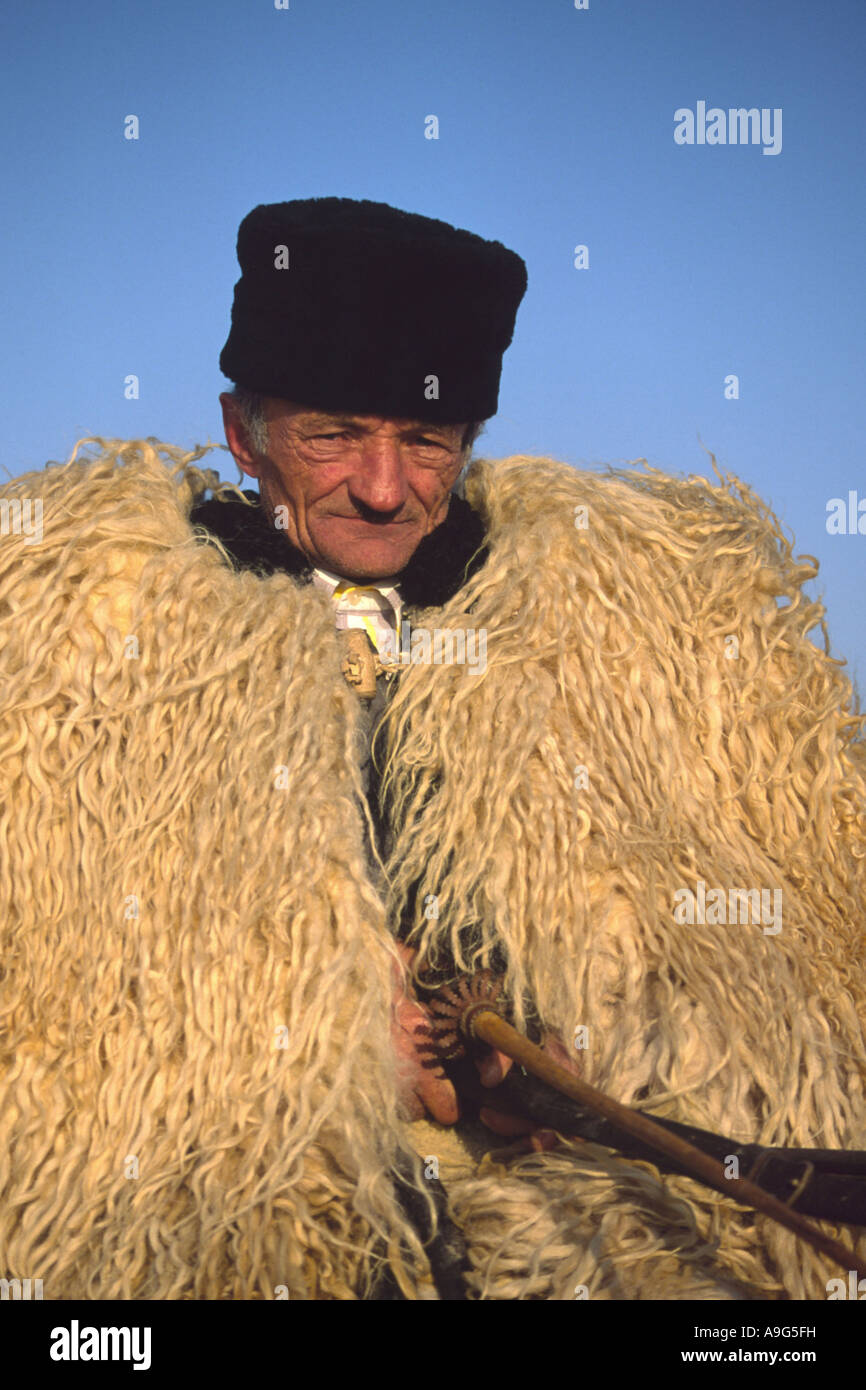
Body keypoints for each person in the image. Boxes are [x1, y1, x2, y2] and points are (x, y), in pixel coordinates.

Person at [1, 198, 863, 1301]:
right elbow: (64, 1013)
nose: (380, 485)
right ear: (242, 432)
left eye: (423, 441)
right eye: (331, 435)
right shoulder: (79, 653)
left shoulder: (626, 641)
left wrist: (541, 1055)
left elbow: (734, 977)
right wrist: (330, 1056)